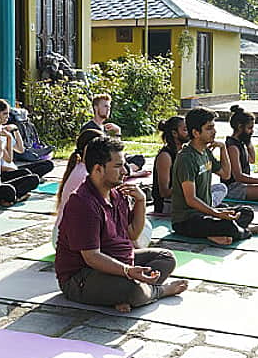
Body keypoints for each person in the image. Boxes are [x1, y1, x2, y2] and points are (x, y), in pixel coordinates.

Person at [55, 136, 187, 312]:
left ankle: (122, 293)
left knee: (166, 258)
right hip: (82, 276)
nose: (125, 171)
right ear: (98, 169)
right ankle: (157, 291)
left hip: (120, 264)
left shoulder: (117, 193)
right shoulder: (82, 203)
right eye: (118, 166)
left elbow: (132, 233)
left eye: (124, 165)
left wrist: (140, 201)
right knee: (132, 289)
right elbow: (92, 257)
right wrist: (127, 271)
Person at [171, 108, 258, 245]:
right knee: (227, 225)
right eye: (209, 128)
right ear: (196, 133)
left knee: (246, 211)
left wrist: (222, 148)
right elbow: (191, 200)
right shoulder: (186, 158)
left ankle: (225, 232)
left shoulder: (205, 152)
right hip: (187, 220)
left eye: (214, 127)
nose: (214, 132)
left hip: (206, 213)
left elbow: (226, 174)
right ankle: (242, 231)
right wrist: (216, 213)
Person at [154, 115, 226, 215]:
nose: (189, 132)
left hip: (191, 195)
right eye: (185, 130)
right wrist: (188, 184)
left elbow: (226, 174)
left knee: (220, 188)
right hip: (170, 204)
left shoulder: (197, 151)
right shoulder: (166, 156)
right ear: (174, 133)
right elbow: (164, 192)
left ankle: (207, 205)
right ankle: (209, 206)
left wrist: (223, 148)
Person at [0, 98, 55, 178]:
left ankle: (28, 177)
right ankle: (29, 178)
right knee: (27, 175)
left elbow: (20, 150)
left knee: (48, 164)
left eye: (8, 114)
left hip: (11, 168)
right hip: (2, 171)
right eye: (4, 114)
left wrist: (16, 130)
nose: (7, 117)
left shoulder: (5, 130)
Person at [82, 93, 144, 172]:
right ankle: (127, 171)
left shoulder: (104, 127)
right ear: (96, 108)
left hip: (109, 158)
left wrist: (117, 132)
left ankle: (127, 170)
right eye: (105, 106)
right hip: (101, 163)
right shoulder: (89, 129)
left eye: (109, 107)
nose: (108, 109)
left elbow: (116, 149)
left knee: (139, 158)